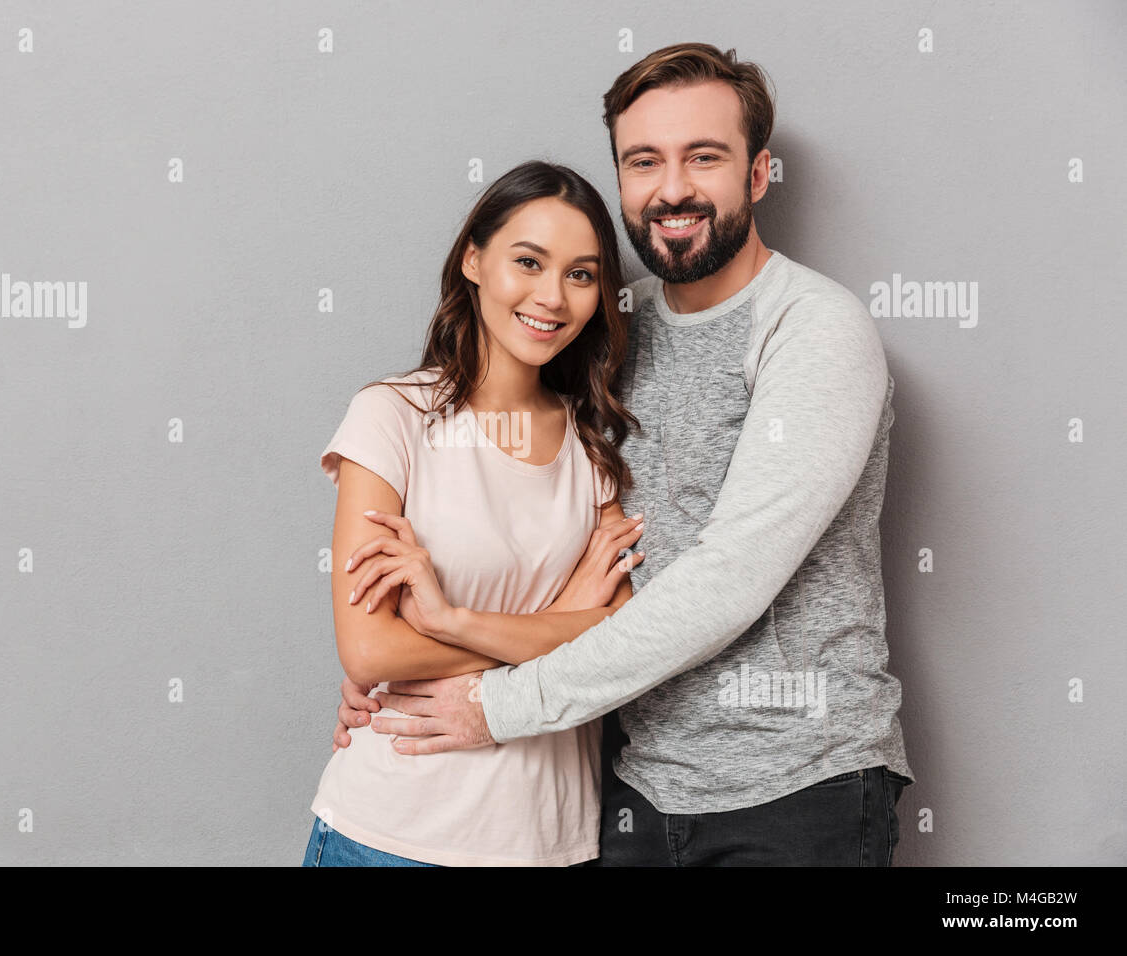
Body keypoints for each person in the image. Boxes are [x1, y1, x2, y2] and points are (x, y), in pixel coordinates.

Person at [335, 42, 916, 866]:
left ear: (758, 175)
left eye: (704, 157)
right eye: (644, 161)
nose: (672, 188)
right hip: (632, 788)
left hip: (796, 787)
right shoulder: (604, 321)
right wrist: (395, 666)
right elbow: (509, 485)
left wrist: (494, 701)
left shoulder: (814, 330)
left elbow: (728, 583)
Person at [302, 160, 646, 866]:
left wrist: (449, 623)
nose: (552, 296)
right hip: (390, 835)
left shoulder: (594, 448)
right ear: (473, 260)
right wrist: (563, 629)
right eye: (528, 261)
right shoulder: (392, 418)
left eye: (581, 275)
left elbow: (624, 647)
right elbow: (368, 650)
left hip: (552, 845)